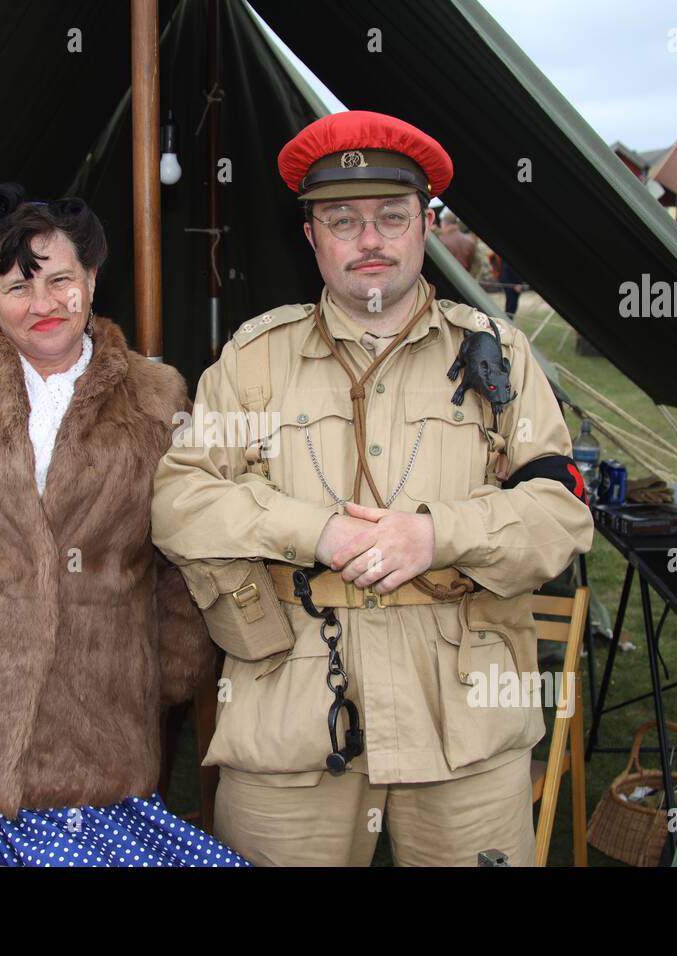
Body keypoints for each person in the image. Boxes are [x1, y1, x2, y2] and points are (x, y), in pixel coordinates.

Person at [151, 111, 593, 867]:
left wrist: (436, 536)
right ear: (312, 236)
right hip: (290, 711)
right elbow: (179, 499)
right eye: (343, 219)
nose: (370, 239)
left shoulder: (501, 361)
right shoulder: (253, 363)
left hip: (463, 716)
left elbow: (561, 515)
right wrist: (312, 529)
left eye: (392, 216)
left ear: (426, 225)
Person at [0, 183, 245, 867]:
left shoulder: (157, 398)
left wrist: (167, 672)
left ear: (92, 278)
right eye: (15, 287)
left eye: (60, 279)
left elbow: (180, 558)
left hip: (99, 717)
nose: (42, 306)